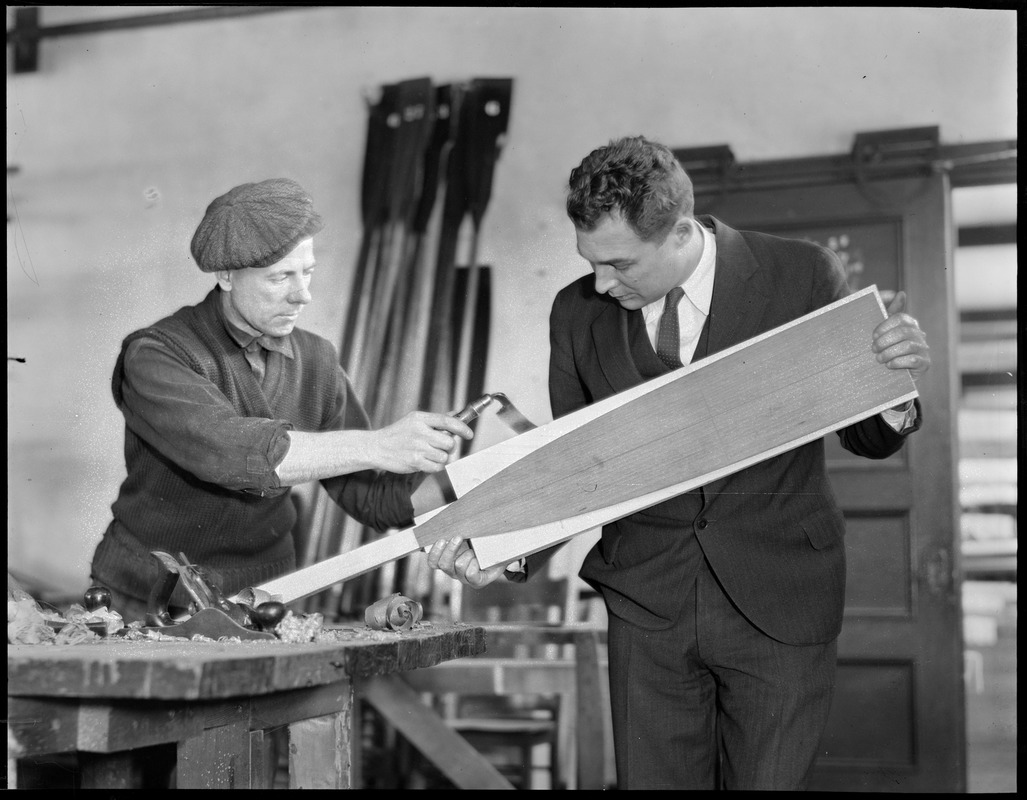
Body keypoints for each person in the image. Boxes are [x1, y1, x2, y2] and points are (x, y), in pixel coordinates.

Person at [427, 136, 932, 790]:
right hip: (647, 606)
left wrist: (891, 386)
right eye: (590, 262)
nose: (601, 283)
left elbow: (867, 434)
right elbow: (574, 469)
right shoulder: (576, 314)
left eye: (619, 264)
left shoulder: (801, 274)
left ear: (679, 232)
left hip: (779, 598)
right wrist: (503, 543)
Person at [91, 177, 472, 623]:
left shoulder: (316, 360)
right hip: (142, 598)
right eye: (280, 277)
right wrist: (379, 444)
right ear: (226, 275)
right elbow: (233, 453)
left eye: (307, 272)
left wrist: (471, 482)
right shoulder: (157, 354)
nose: (303, 294)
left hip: (260, 601)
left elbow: (373, 498)